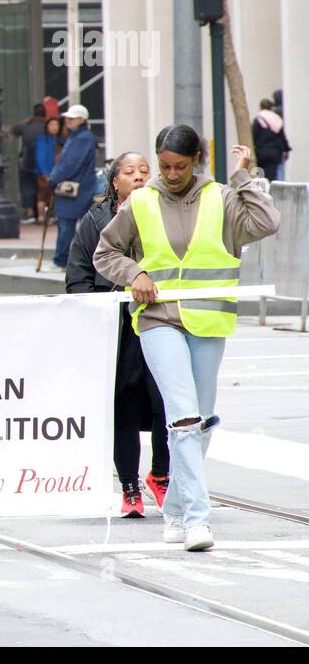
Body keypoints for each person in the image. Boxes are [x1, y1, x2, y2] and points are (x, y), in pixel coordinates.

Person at [94, 125, 279, 552]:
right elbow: (105, 253)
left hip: (209, 319)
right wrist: (134, 273)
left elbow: (267, 222)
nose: (170, 174)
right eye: (163, 166)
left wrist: (243, 177)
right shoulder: (141, 202)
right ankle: (198, 518)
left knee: (202, 418)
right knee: (182, 416)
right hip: (158, 319)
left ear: (197, 159)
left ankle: (175, 507)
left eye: (179, 166)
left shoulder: (221, 197)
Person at [66, 151, 170, 518]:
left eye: (145, 171)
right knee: (124, 405)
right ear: (115, 183)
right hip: (118, 330)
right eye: (130, 172)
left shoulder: (164, 213)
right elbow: (77, 276)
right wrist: (102, 306)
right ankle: (129, 487)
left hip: (160, 320)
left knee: (167, 403)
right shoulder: (94, 222)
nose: (140, 177)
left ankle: (161, 475)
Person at [47, 104, 97, 269]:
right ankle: (72, 260)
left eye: (72, 118)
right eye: (67, 118)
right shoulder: (77, 136)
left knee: (67, 224)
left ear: (82, 120)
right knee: (75, 224)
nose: (68, 120)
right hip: (77, 187)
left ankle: (62, 260)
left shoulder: (82, 138)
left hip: (76, 189)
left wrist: (53, 178)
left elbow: (70, 164)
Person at [8, 103, 48, 224]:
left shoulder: (26, 126)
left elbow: (11, 130)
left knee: (27, 186)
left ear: (34, 113)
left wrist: (27, 120)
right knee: (43, 188)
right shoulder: (49, 126)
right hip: (45, 163)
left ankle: (30, 212)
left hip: (27, 162)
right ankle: (44, 214)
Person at [252, 99, 291, 183]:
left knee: (261, 175)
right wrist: (287, 150)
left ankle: (262, 192)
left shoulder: (258, 119)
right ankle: (270, 192)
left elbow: (254, 135)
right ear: (271, 107)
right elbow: (282, 137)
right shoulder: (277, 119)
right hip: (275, 153)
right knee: (272, 176)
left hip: (261, 152)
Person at [34, 116, 63, 223]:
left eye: (56, 125)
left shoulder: (59, 140)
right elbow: (40, 157)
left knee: (52, 195)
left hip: (56, 171)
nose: (54, 127)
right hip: (44, 172)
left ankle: (50, 216)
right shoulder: (43, 139)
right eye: (52, 125)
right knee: (42, 194)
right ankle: (41, 216)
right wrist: (44, 172)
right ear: (47, 127)